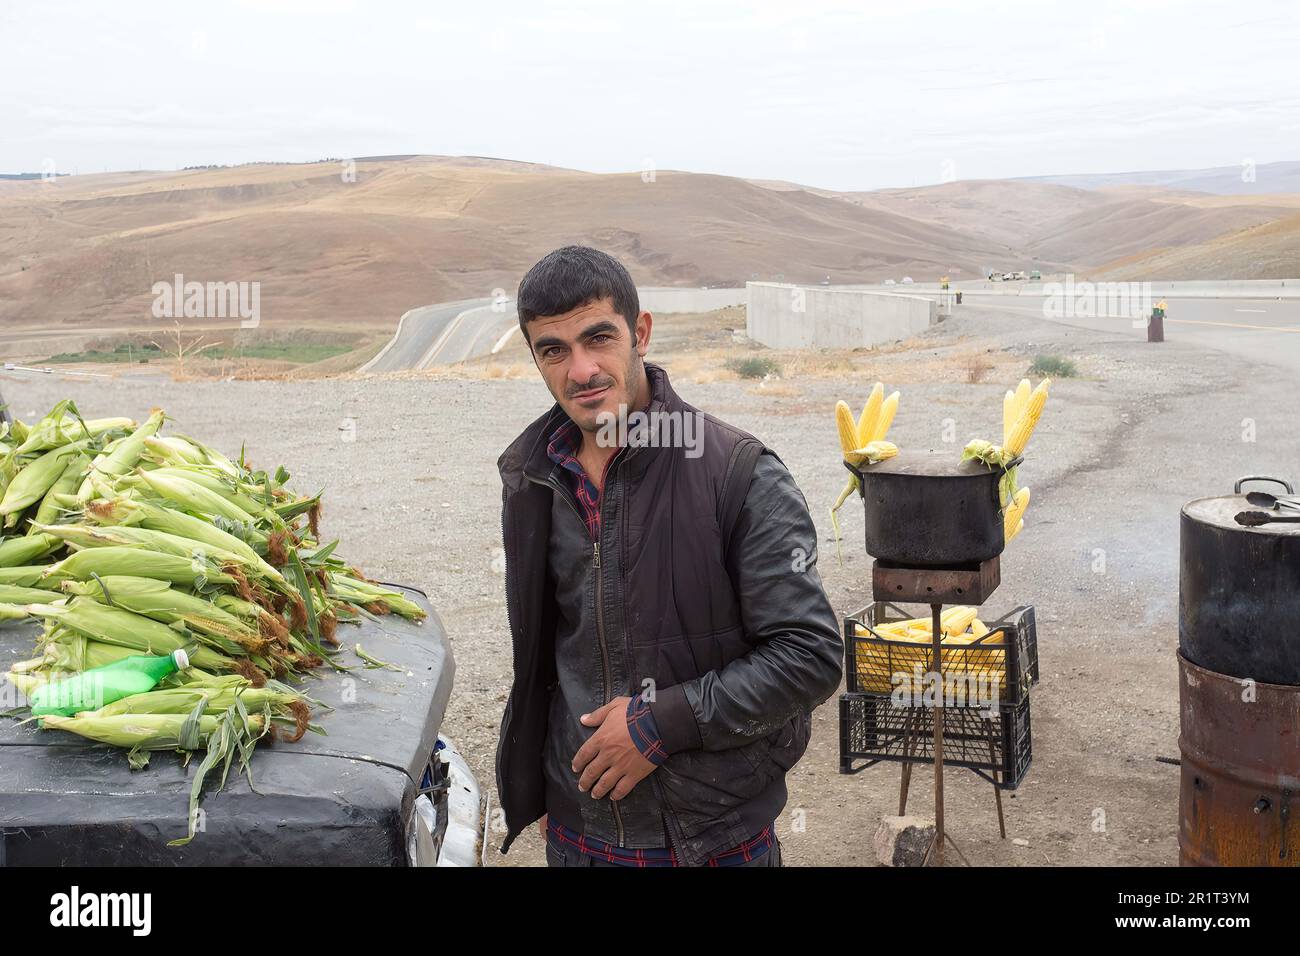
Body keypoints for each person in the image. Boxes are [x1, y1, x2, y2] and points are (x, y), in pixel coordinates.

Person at [494, 246, 843, 867]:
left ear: (641, 333)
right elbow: (552, 652)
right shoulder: (535, 477)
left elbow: (809, 654)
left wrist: (659, 725)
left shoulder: (737, 473)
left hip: (708, 836)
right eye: (554, 350)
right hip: (579, 835)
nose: (581, 370)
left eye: (598, 338)